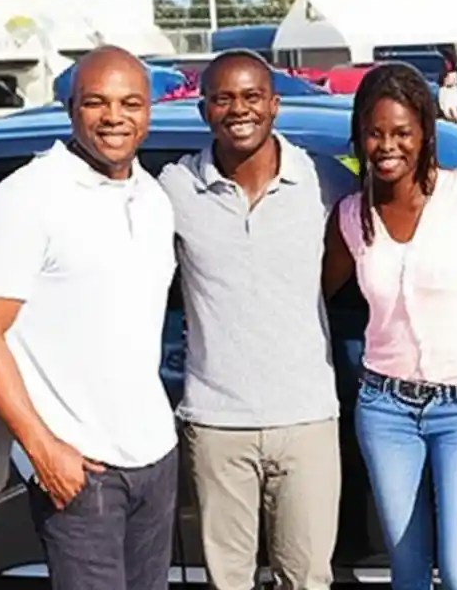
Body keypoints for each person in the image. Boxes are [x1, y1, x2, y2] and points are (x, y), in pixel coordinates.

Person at [0, 46, 179, 590]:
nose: (114, 117)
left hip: (154, 456)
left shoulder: (152, 197)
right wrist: (42, 449)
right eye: (96, 102)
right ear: (71, 108)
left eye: (131, 103)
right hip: (81, 465)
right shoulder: (28, 197)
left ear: (149, 111)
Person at [321, 62, 457, 590]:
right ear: (360, 136)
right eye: (375, 133)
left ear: (425, 133)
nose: (387, 146)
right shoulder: (351, 216)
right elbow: (310, 296)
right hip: (384, 408)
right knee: (408, 572)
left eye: (401, 133)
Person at [158, 50, 342, 590]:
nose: (239, 109)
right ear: (203, 109)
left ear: (275, 104)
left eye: (252, 96)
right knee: (228, 582)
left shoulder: (321, 179)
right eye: (223, 98)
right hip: (216, 422)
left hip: (307, 418)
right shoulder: (174, 188)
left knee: (307, 579)